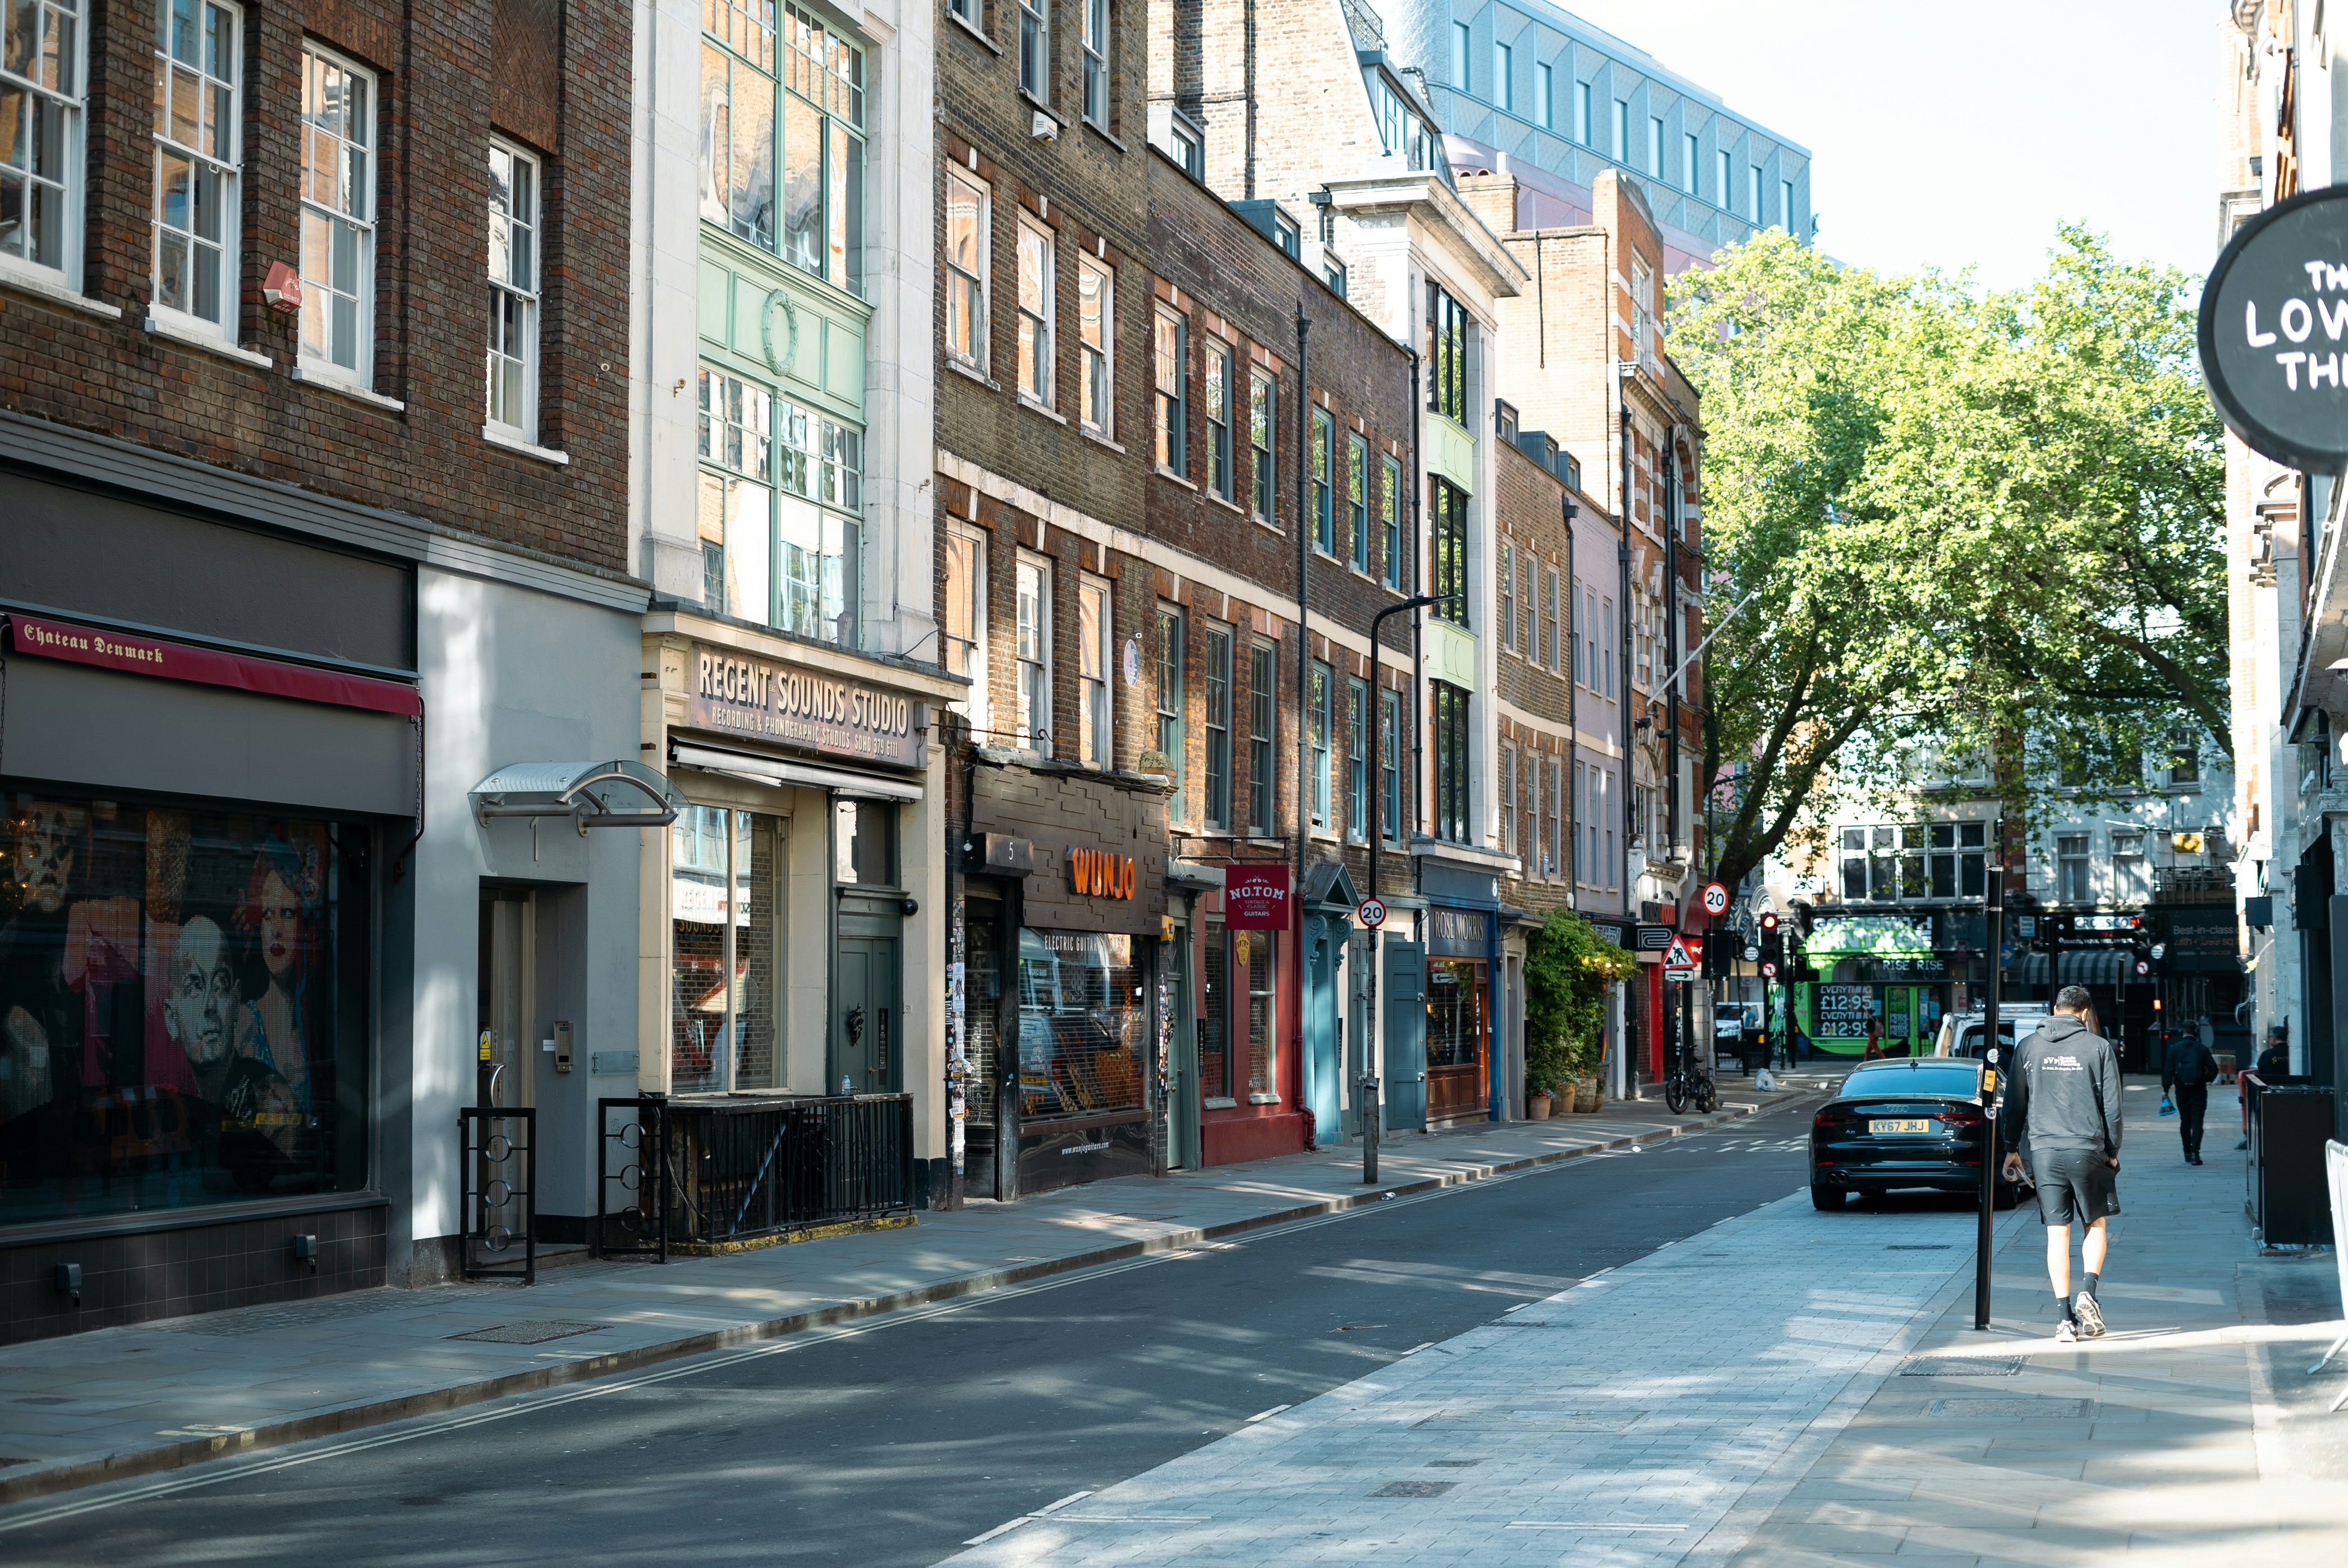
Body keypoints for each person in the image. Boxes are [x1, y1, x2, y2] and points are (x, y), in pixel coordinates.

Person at [2001, 986, 2124, 1342]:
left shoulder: (2028, 1046)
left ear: (2054, 1010)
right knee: (2095, 1224)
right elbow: (2112, 1107)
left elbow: (2014, 1105)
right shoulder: (2099, 1047)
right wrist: (2113, 1150)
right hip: (2087, 1149)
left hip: (2044, 1151)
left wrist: (2012, 1148)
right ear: (2085, 1014)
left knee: (2057, 1234)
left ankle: (2063, 1321)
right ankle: (2089, 1292)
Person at [2161, 1025, 2218, 1166]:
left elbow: (2168, 1070)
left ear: (2181, 1032)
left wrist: (2166, 1089)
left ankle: (2187, 1152)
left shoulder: (2175, 1049)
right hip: (2199, 1090)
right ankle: (2195, 1154)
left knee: (2185, 1121)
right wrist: (2204, 1080)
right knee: (2197, 1122)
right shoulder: (2201, 1049)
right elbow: (2213, 1069)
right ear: (2196, 1032)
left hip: (2181, 1090)